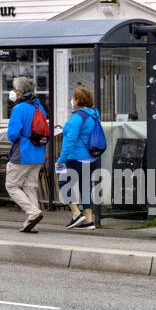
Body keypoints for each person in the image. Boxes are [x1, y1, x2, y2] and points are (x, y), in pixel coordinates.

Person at [5, 79, 49, 232]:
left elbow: (12, 134)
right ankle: (31, 221)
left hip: (23, 152)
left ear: (19, 92)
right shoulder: (39, 107)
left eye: (14, 89)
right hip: (38, 153)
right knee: (30, 187)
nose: (13, 91)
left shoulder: (19, 108)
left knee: (11, 185)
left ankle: (33, 212)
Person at [57, 85, 102, 230]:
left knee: (63, 183)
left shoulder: (77, 116)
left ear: (77, 100)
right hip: (92, 159)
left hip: (75, 158)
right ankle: (89, 221)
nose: (71, 100)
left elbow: (71, 139)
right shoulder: (94, 113)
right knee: (86, 187)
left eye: (73, 98)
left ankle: (76, 213)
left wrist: (61, 159)